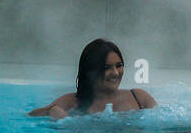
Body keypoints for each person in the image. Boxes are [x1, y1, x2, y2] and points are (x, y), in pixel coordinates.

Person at [28, 38, 156, 119]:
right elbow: (31, 116)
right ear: (91, 71)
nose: (115, 73)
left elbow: (161, 123)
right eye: (107, 68)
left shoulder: (139, 98)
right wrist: (52, 110)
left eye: (119, 66)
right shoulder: (73, 101)